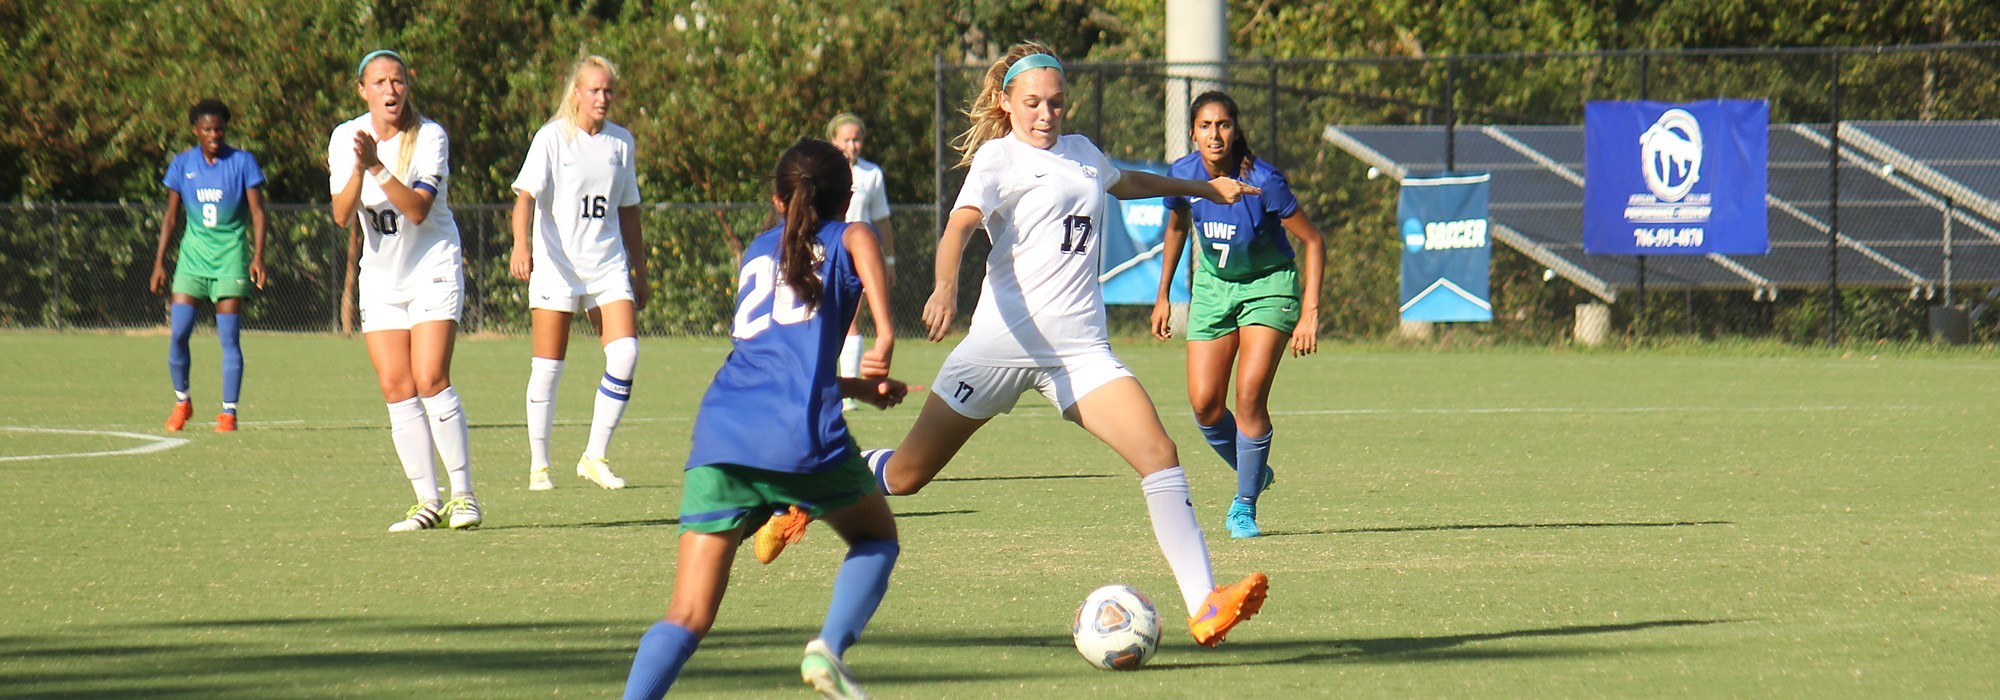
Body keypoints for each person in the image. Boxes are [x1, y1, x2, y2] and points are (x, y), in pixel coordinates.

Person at [758, 43, 1269, 648]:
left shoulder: (1082, 154)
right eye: (1032, 103)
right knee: (907, 474)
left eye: (1055, 102)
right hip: (998, 347)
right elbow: (958, 229)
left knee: (1159, 453)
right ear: (1006, 102)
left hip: (1080, 355)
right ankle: (813, 493)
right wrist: (946, 284)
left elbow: (1127, 181)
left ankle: (1204, 605)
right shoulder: (998, 160)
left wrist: (1208, 190)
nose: (1045, 114)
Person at [623, 139, 905, 700]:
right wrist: (887, 330)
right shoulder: (849, 234)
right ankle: (828, 648)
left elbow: (777, 355)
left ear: (778, 201)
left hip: (721, 434)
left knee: (687, 614)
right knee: (876, 538)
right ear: (848, 198)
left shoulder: (756, 250)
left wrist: (857, 390)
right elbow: (864, 253)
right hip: (797, 435)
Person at [1151, 91, 1325, 539]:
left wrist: (1310, 312)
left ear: (1236, 130)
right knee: (1205, 405)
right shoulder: (1182, 175)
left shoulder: (1264, 180)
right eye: (1206, 126)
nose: (1215, 134)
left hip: (1268, 285)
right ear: (1192, 132)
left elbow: (1313, 241)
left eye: (1224, 125)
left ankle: (1244, 505)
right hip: (1213, 287)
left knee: (1248, 397)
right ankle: (1255, 471)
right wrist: (1163, 294)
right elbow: (1175, 228)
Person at [329, 49, 481, 532]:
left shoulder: (429, 136)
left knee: (430, 376)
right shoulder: (345, 137)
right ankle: (427, 502)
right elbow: (340, 214)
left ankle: (464, 496)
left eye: (398, 81)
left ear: (407, 87)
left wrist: (376, 166)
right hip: (382, 277)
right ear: (362, 90)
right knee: (396, 387)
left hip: (433, 267)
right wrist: (358, 166)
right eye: (379, 82)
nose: (390, 90)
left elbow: (416, 210)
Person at [509, 55, 646, 492]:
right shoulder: (552, 137)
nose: (603, 97)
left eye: (608, 90)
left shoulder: (622, 142)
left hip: (606, 266)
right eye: (594, 90)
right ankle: (539, 465)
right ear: (577, 93)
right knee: (548, 368)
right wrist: (521, 245)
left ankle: (594, 456)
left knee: (625, 355)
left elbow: (629, 211)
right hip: (557, 266)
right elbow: (525, 198)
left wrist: (639, 269)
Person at [150, 98, 267, 432]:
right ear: (195, 131)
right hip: (191, 261)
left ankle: (228, 412)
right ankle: (182, 402)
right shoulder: (182, 164)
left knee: (229, 338)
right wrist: (159, 263)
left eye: (219, 129)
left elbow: (258, 213)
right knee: (179, 333)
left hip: (230, 259)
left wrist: (258, 256)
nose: (214, 134)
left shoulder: (243, 162)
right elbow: (171, 217)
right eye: (207, 129)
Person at [826, 112, 895, 412]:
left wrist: (889, 260)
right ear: (833, 141)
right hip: (831, 253)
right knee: (837, 319)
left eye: (857, 139)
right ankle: (840, 387)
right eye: (846, 139)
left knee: (852, 319)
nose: (853, 145)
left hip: (861, 258)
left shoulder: (871, 175)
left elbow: (881, 220)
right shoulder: (823, 171)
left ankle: (848, 391)